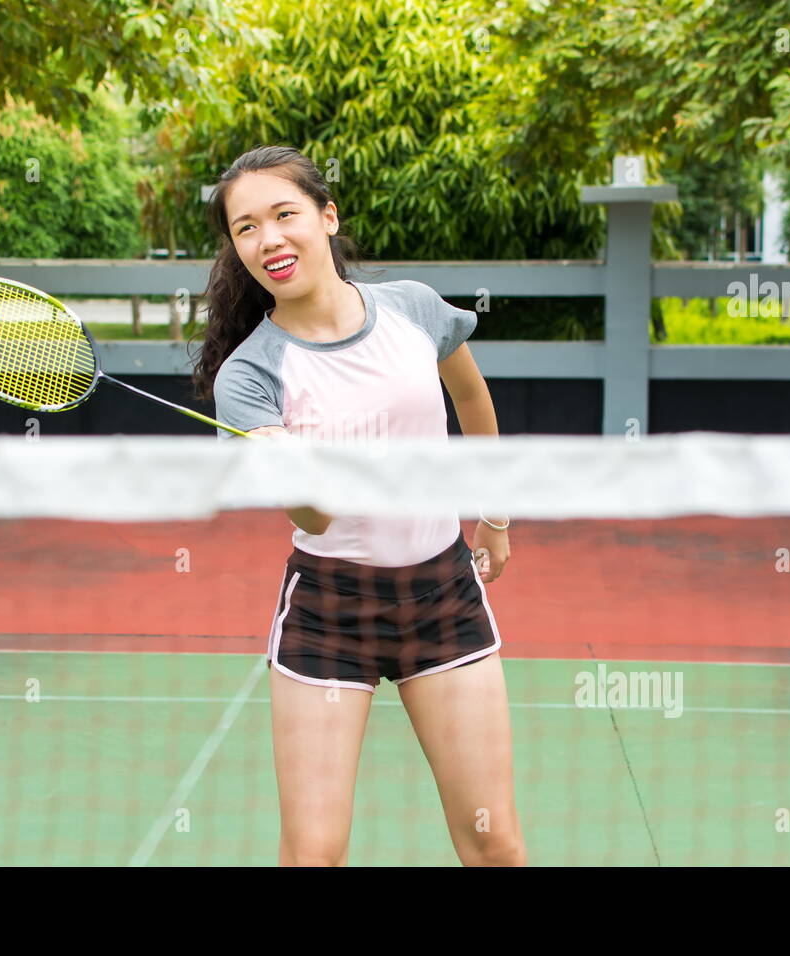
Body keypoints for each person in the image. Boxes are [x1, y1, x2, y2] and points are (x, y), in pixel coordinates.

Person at [189, 145, 524, 867]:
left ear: (327, 217)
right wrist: (298, 474)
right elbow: (311, 517)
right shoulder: (249, 376)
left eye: (285, 215)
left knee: (495, 843)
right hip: (328, 614)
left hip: (442, 596)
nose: (268, 239)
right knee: (315, 856)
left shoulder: (413, 309)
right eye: (246, 228)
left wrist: (494, 513)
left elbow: (469, 396)